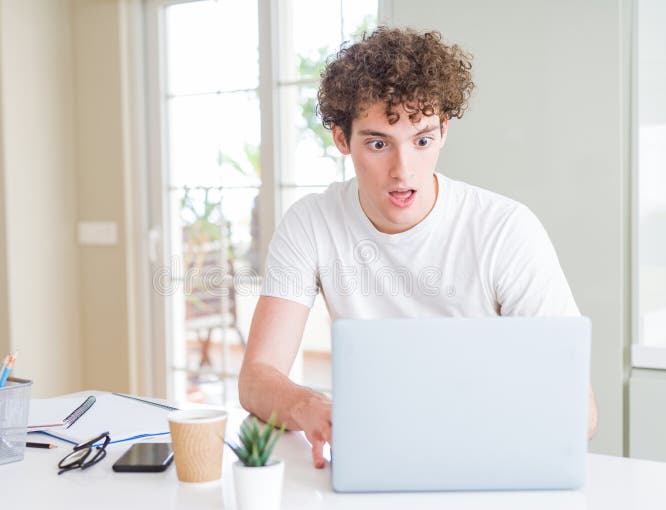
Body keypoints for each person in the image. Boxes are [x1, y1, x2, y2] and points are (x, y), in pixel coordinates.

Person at [238, 27, 598, 469]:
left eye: (422, 140)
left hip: (490, 458)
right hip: (376, 459)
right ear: (340, 139)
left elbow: (581, 414)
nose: (403, 170)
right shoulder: (311, 223)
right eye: (377, 143)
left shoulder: (506, 230)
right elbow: (256, 379)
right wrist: (309, 407)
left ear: (444, 131)